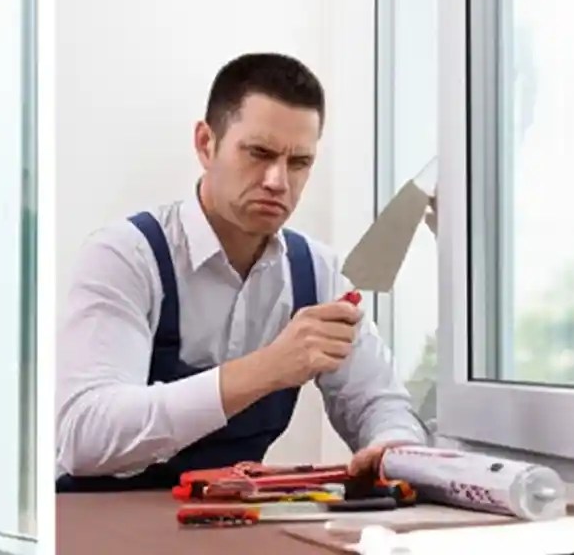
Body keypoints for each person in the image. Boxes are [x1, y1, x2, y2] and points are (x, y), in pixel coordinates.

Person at [55, 53, 428, 491]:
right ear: (205, 144)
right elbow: (84, 435)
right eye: (258, 153)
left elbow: (379, 403)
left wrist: (393, 446)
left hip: (225, 523)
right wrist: (269, 368)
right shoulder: (125, 256)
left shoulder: (321, 275)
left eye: (299, 162)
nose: (277, 181)